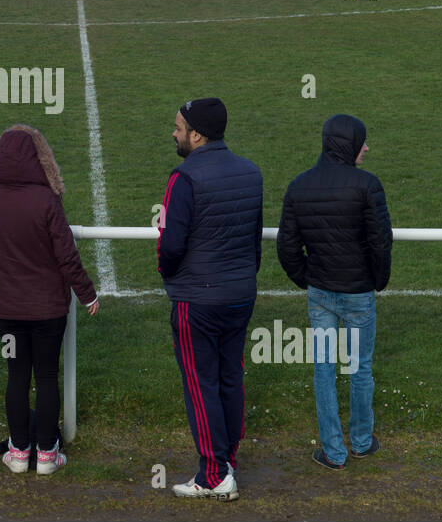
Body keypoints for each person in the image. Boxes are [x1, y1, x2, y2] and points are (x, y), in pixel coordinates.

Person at [0, 126, 99, 475]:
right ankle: (46, 454)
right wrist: (87, 293)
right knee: (45, 375)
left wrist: (4, 270)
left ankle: (17, 453)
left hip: (7, 309)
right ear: (37, 159)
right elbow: (66, 255)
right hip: (47, 311)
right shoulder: (46, 200)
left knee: (16, 376)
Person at [157, 98, 263, 501]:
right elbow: (253, 241)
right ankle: (227, 458)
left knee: (201, 385)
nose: (174, 133)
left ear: (197, 134)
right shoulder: (250, 172)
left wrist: (172, 278)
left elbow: (170, 246)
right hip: (240, 294)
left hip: (197, 300)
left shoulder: (183, 178)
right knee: (230, 376)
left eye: (178, 127)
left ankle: (214, 474)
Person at [276, 115, 392, 471]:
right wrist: (377, 281)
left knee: (324, 370)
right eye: (362, 141)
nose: (367, 147)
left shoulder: (299, 186)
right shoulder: (367, 185)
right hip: (358, 293)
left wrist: (307, 278)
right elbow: (380, 242)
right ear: (348, 144)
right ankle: (360, 443)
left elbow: (287, 246)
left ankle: (333, 452)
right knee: (360, 368)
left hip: (321, 293)